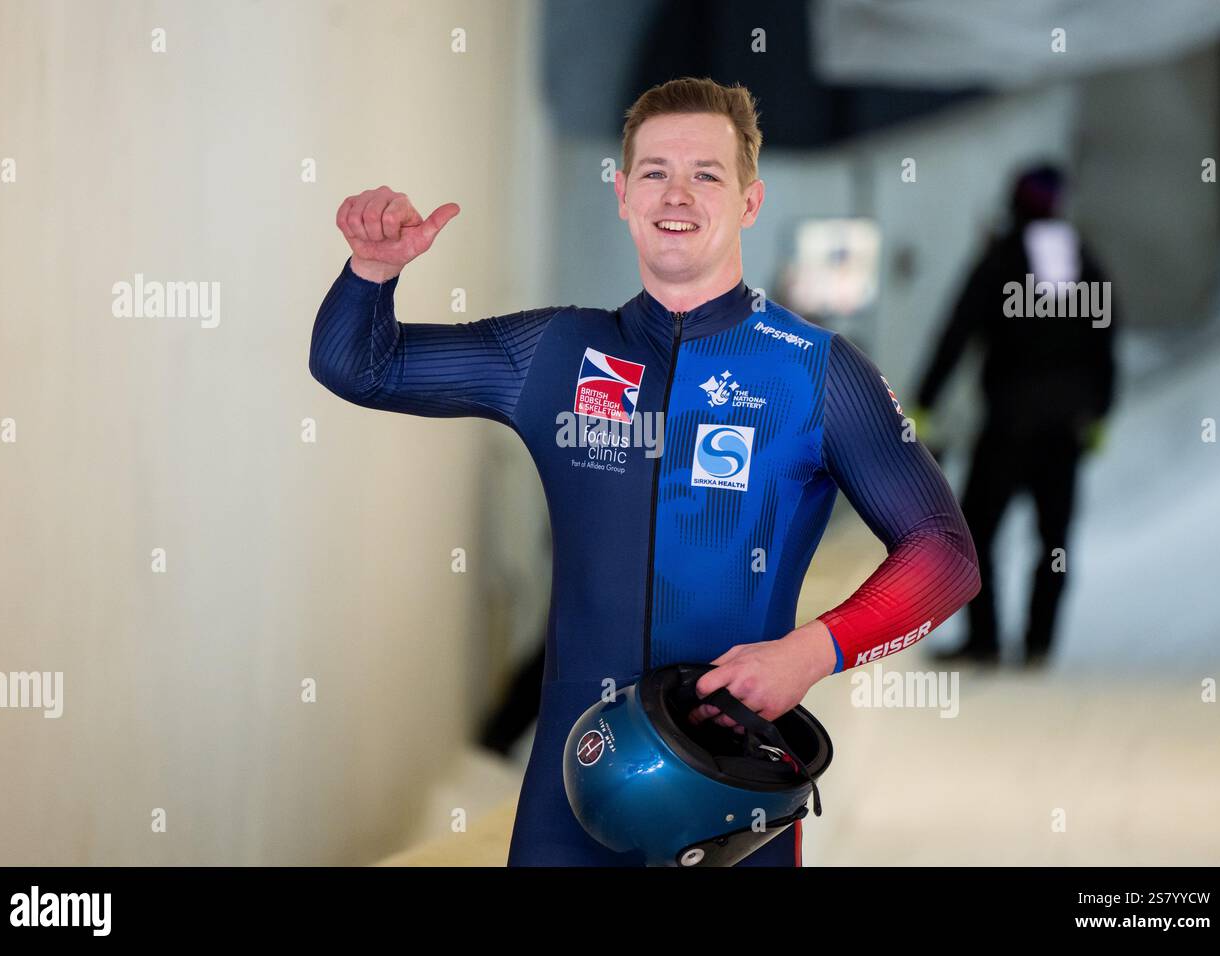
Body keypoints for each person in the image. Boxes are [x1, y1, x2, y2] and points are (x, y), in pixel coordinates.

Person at [308, 77, 980, 866]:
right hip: (573, 788)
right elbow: (358, 364)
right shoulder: (555, 353)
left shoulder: (816, 373)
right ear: (623, 195)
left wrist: (811, 652)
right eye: (656, 171)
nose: (679, 193)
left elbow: (945, 554)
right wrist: (371, 273)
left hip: (733, 795)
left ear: (750, 202)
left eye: (707, 174)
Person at [914, 165, 1118, 669]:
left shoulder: (1001, 258)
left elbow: (956, 331)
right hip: (1064, 428)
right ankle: (1039, 645)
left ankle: (984, 641)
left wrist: (922, 404)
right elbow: (1104, 343)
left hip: (1008, 424)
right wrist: (1098, 413)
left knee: (977, 533)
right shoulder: (1082, 261)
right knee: (1054, 540)